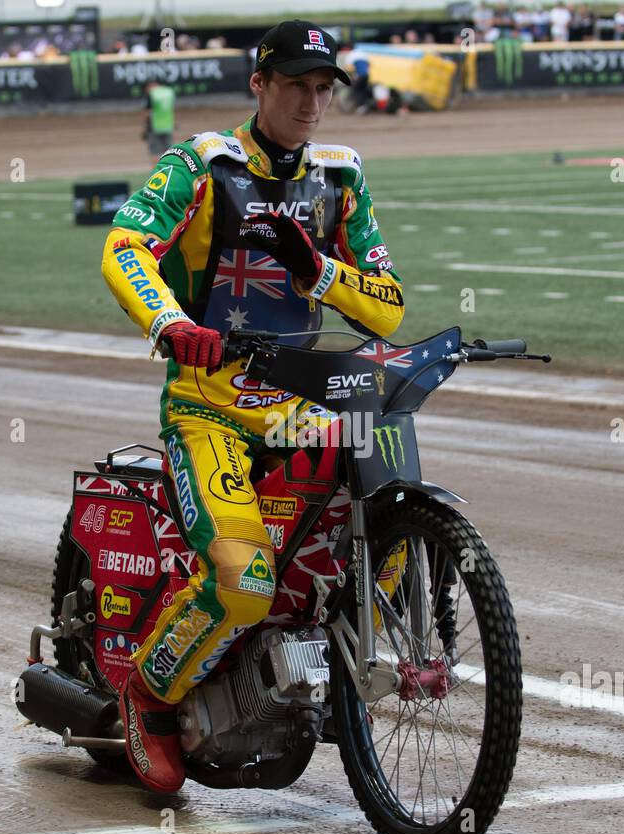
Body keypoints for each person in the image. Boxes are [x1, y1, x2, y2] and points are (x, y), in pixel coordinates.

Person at [100, 19, 404, 793]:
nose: (310, 102)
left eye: (323, 88)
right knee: (243, 583)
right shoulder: (202, 165)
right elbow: (125, 246)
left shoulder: (341, 177)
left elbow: (388, 310)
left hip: (302, 403)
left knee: (388, 502)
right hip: (208, 404)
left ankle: (341, 664)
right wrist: (171, 323)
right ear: (259, 85)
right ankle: (150, 692)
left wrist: (319, 272)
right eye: (295, 85)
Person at [143, 80, 176, 158]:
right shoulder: (169, 92)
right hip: (168, 126)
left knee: (155, 153)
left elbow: (147, 112)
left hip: (154, 126)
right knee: (169, 152)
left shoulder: (152, 94)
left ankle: (157, 170)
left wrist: (145, 127)